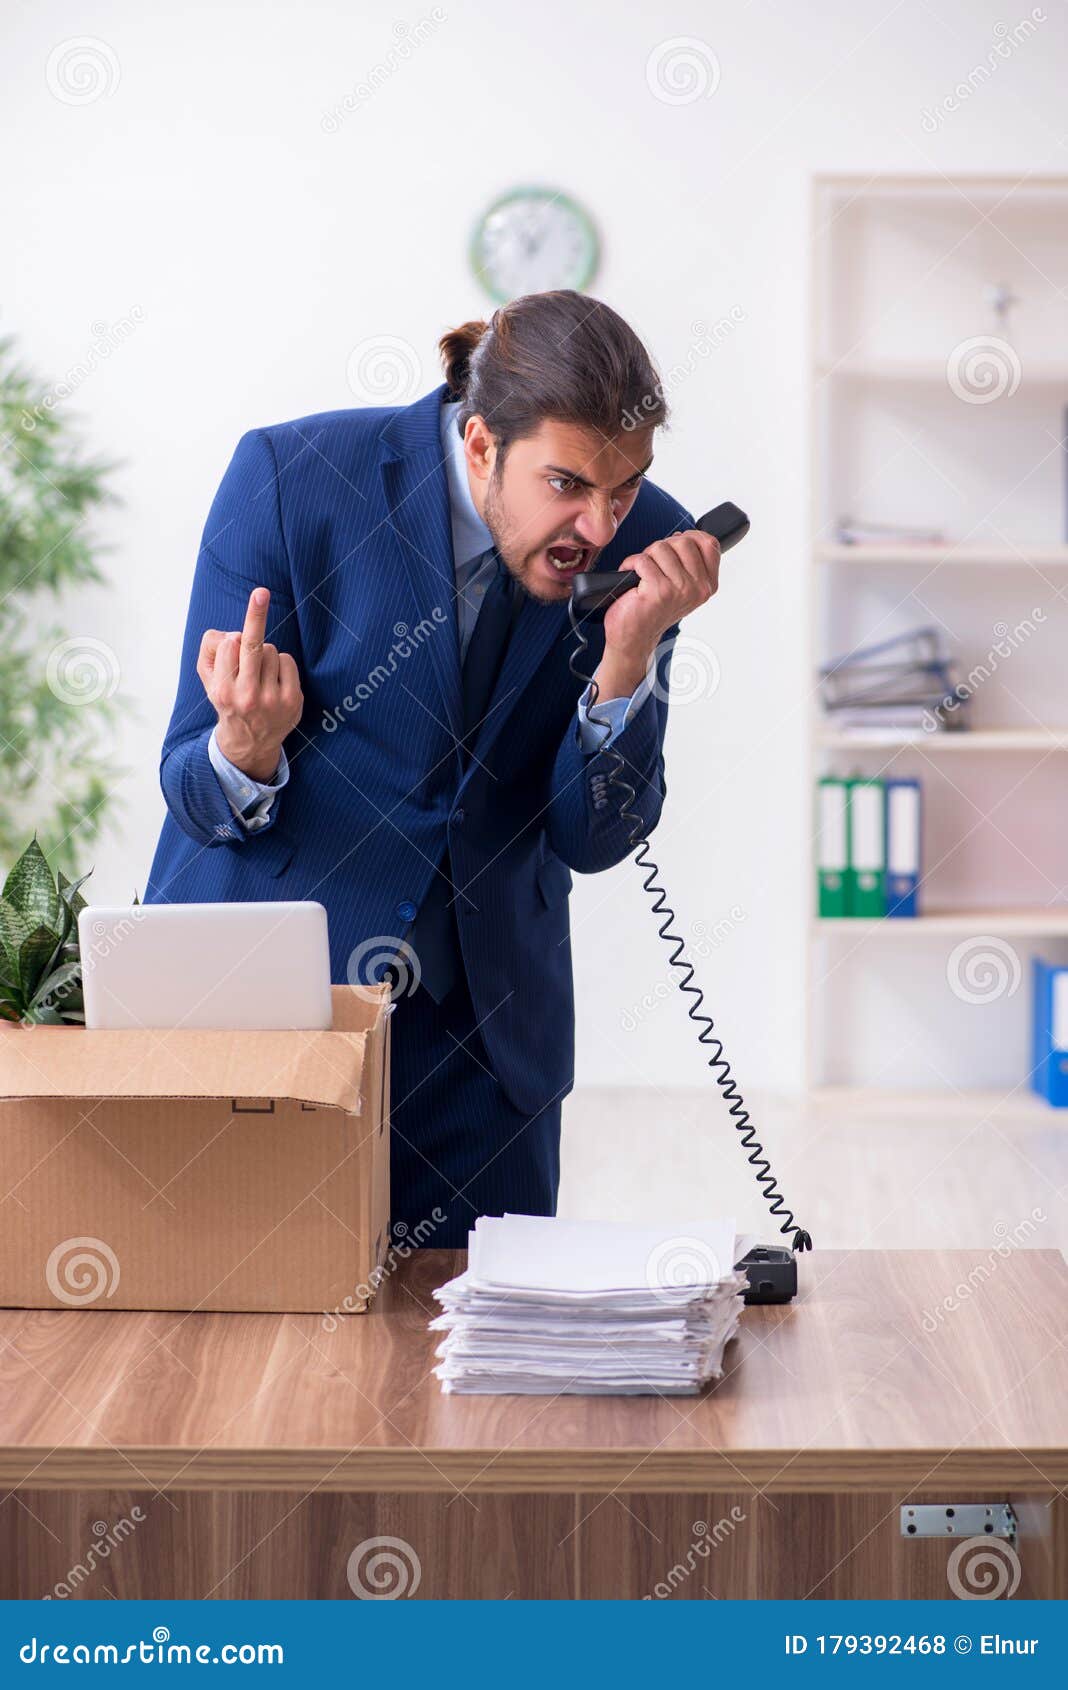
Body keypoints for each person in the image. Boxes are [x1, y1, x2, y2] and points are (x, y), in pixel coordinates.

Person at [146, 289, 721, 1246]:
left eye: (623, 489)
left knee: (483, 1363)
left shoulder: (649, 546)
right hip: (283, 1017)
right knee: (244, 1358)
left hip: (489, 1048)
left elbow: (596, 839)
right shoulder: (296, 477)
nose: (600, 524)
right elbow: (189, 789)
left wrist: (629, 660)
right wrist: (246, 747)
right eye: (570, 485)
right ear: (484, 443)